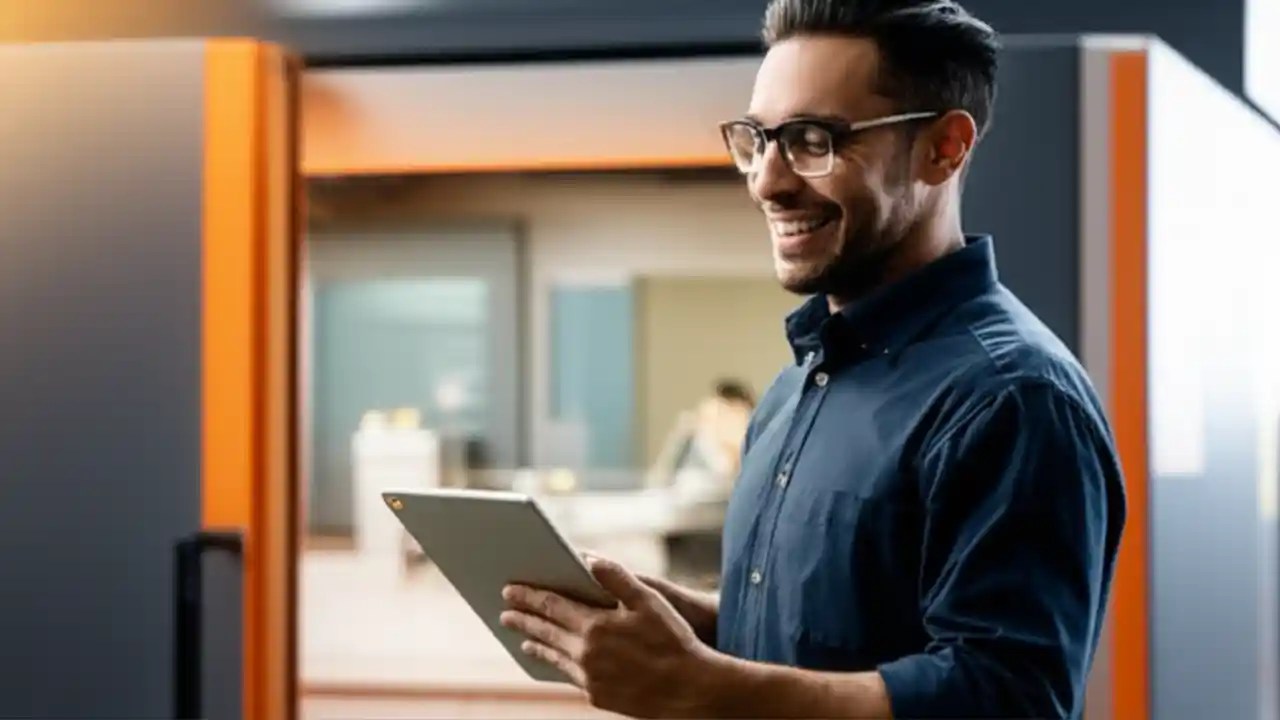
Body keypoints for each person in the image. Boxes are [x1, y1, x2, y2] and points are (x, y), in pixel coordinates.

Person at [500, 1, 1126, 717]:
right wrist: (699, 626)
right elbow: (829, 635)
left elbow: (1009, 695)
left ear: (944, 148)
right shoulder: (795, 389)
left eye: (813, 140)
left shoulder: (1013, 397)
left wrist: (701, 688)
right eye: (758, 139)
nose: (767, 181)